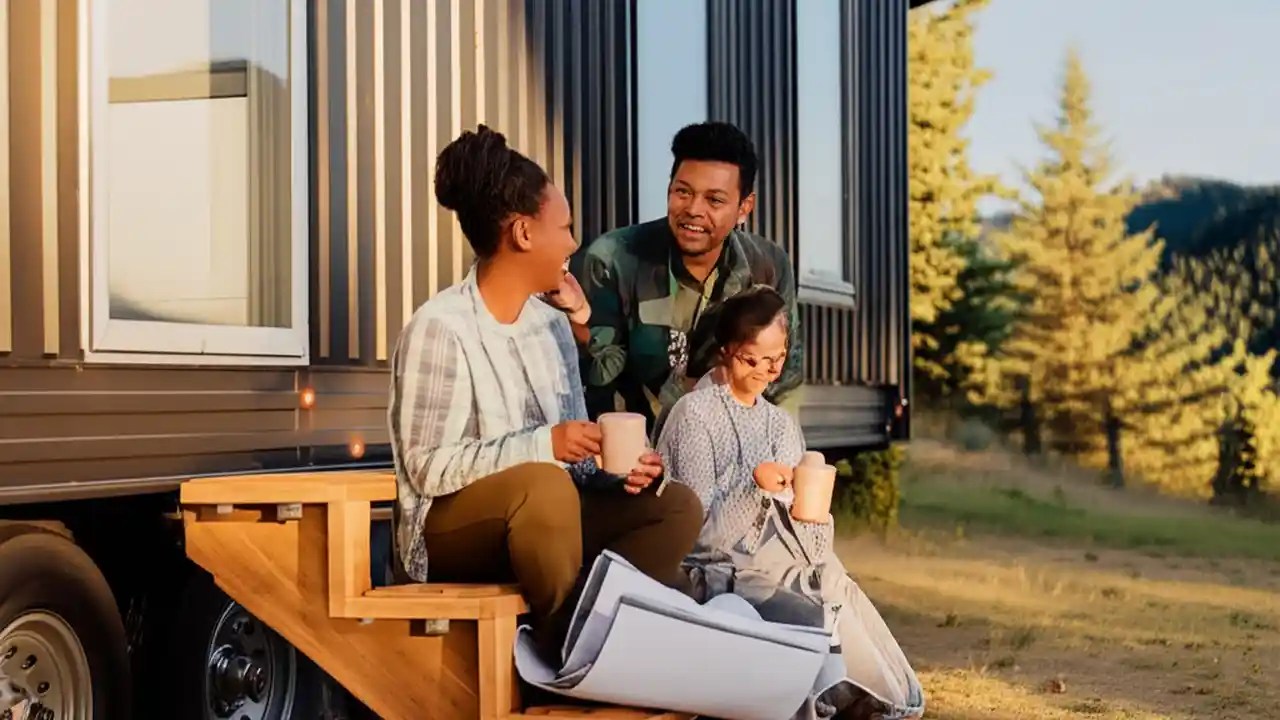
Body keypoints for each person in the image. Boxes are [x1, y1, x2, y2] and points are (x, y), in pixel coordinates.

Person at [387, 125, 703, 665]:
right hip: (446, 535)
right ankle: (570, 653)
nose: (574, 244)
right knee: (543, 486)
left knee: (673, 505)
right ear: (523, 234)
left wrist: (612, 472)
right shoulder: (441, 327)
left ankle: (602, 627)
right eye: (565, 227)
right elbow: (426, 468)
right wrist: (546, 446)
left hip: (544, 520)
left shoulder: (550, 326)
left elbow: (571, 463)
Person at [656, 286, 925, 720]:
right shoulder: (694, 415)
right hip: (718, 573)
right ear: (726, 351)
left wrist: (814, 511)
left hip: (781, 561)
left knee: (831, 584)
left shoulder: (780, 425)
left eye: (775, 360)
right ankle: (827, 697)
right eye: (752, 359)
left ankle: (857, 694)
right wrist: (754, 488)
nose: (765, 371)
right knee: (798, 600)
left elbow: (813, 550)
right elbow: (696, 536)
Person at [575, 121, 804, 435]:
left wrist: (778, 455)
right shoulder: (614, 259)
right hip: (636, 450)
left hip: (732, 450)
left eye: (715, 200)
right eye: (683, 192)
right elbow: (598, 382)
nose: (693, 210)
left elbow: (785, 375)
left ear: (744, 208)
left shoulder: (766, 266)